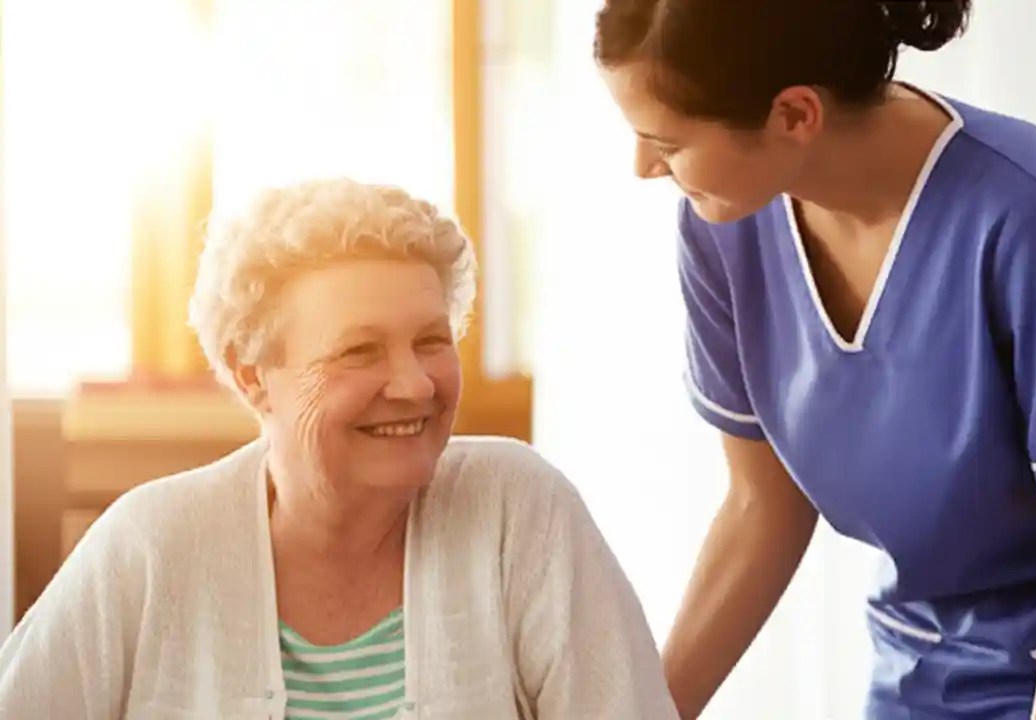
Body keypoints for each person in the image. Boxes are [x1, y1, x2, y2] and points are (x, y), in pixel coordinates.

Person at [593, 1, 1036, 718]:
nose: (644, 167)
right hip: (932, 665)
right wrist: (642, 710)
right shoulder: (725, 221)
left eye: (665, 142)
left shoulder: (1033, 214)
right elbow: (762, 507)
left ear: (795, 114)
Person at [0, 178, 680, 720]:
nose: (414, 384)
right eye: (359, 351)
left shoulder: (518, 507)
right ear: (251, 374)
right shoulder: (151, 544)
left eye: (431, 342)